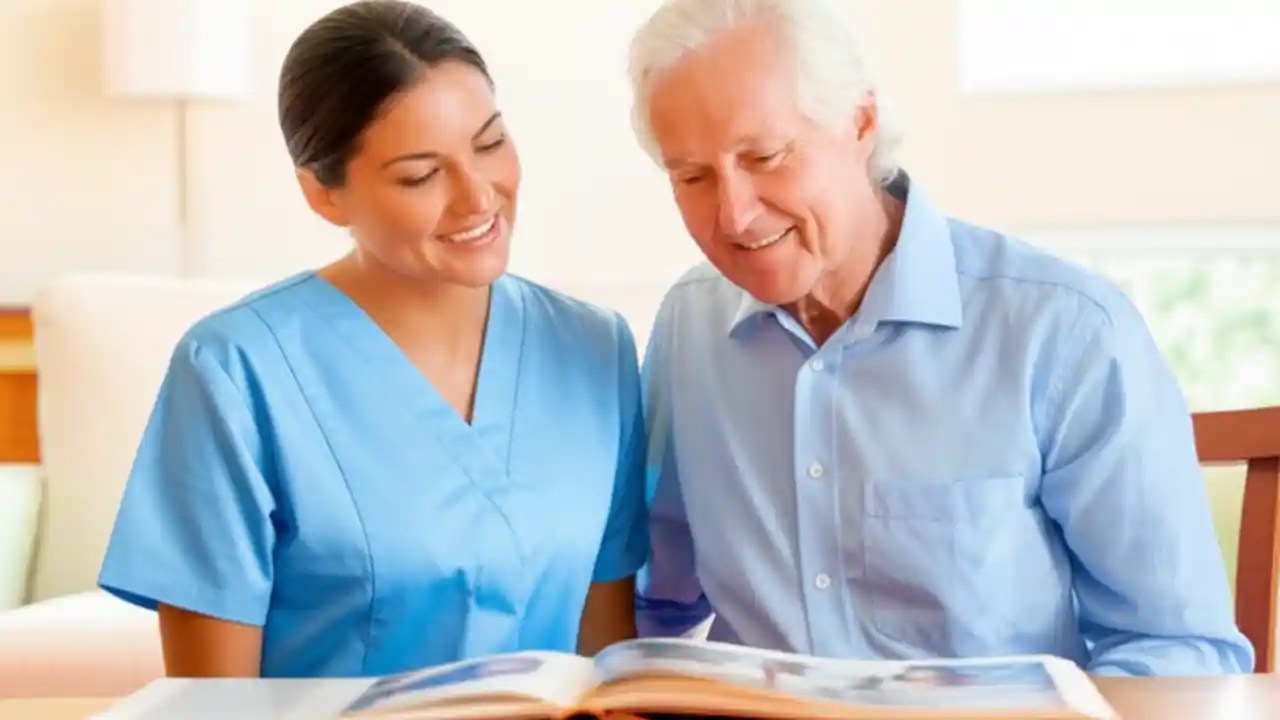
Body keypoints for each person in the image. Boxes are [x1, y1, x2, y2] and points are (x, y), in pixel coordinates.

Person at [626, 0, 1253, 676]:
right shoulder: (689, 328)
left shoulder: (1064, 332)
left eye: (767, 156)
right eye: (691, 177)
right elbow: (653, 603)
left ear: (859, 122)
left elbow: (1180, 648)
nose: (734, 214)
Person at [97, 0, 647, 678]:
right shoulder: (236, 371)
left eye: (490, 143)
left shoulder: (596, 351)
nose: (479, 198)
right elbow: (213, 703)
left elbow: (606, 664)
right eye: (421, 174)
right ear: (325, 196)